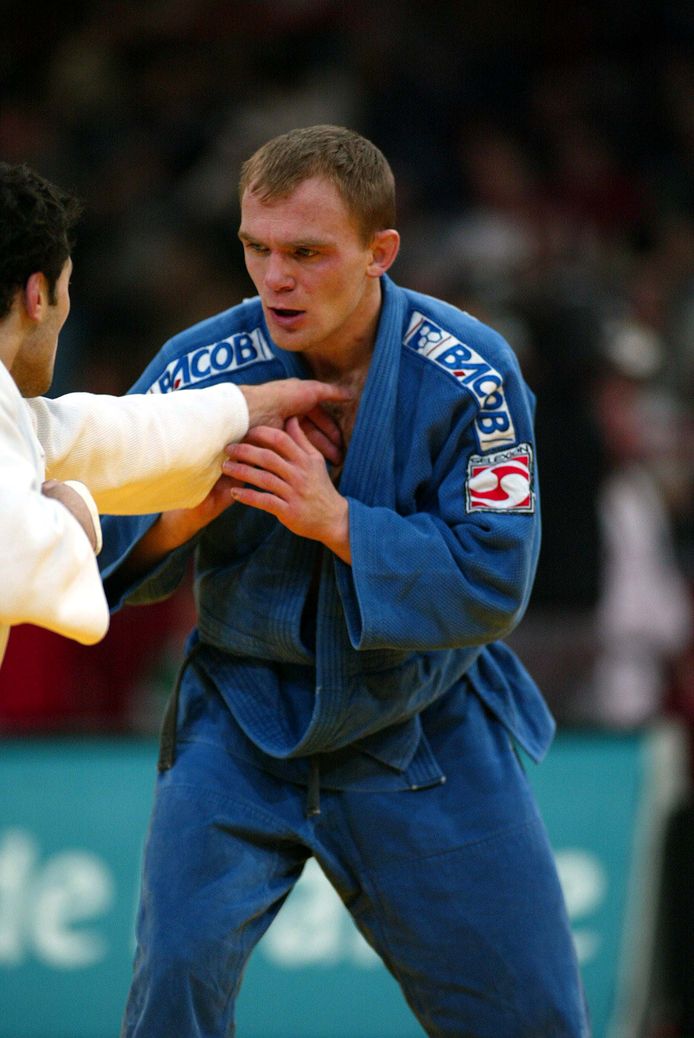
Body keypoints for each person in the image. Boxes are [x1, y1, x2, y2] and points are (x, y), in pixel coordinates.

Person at [100, 126, 590, 1037]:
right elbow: (96, 544)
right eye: (256, 248)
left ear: (380, 253)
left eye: (306, 253)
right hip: (242, 726)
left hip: (423, 726)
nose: (274, 279)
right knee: (175, 980)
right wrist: (195, 505)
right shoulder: (203, 370)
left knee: (535, 1016)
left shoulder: (472, 375)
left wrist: (333, 519)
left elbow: (493, 585)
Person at [0, 160, 348, 665]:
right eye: (68, 288)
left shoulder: (15, 412)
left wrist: (248, 406)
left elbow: (94, 433)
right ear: (39, 295)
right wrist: (72, 509)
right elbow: (21, 559)